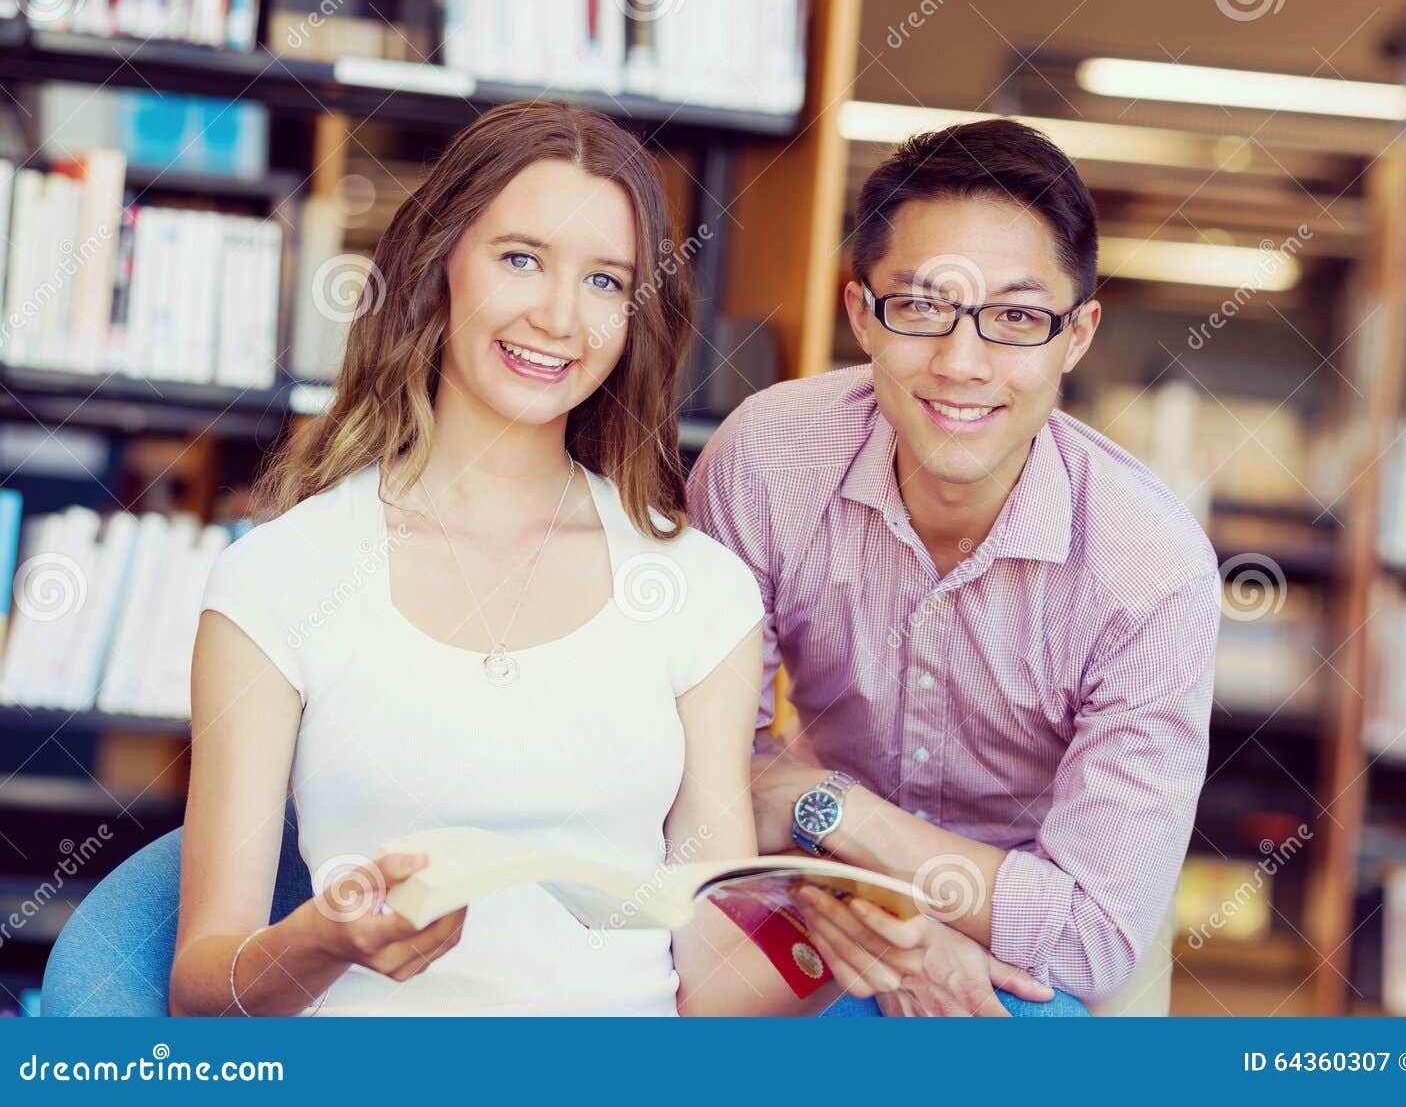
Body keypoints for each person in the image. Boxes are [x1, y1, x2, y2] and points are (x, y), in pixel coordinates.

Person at [169, 100, 925, 1017]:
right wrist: (319, 940)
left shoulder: (698, 592)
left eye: (607, 281)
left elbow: (708, 974)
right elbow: (204, 990)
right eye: (521, 259)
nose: (559, 316)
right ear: (437, 265)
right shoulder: (279, 580)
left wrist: (823, 948)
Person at [688, 117, 1222, 1017]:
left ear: (1077, 335)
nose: (961, 364)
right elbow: (697, 774)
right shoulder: (767, 460)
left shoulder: (1152, 570)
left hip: (1036, 943)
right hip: (810, 891)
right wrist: (862, 903)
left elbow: (1091, 934)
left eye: (1015, 317)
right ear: (861, 314)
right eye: (923, 306)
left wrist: (832, 809)